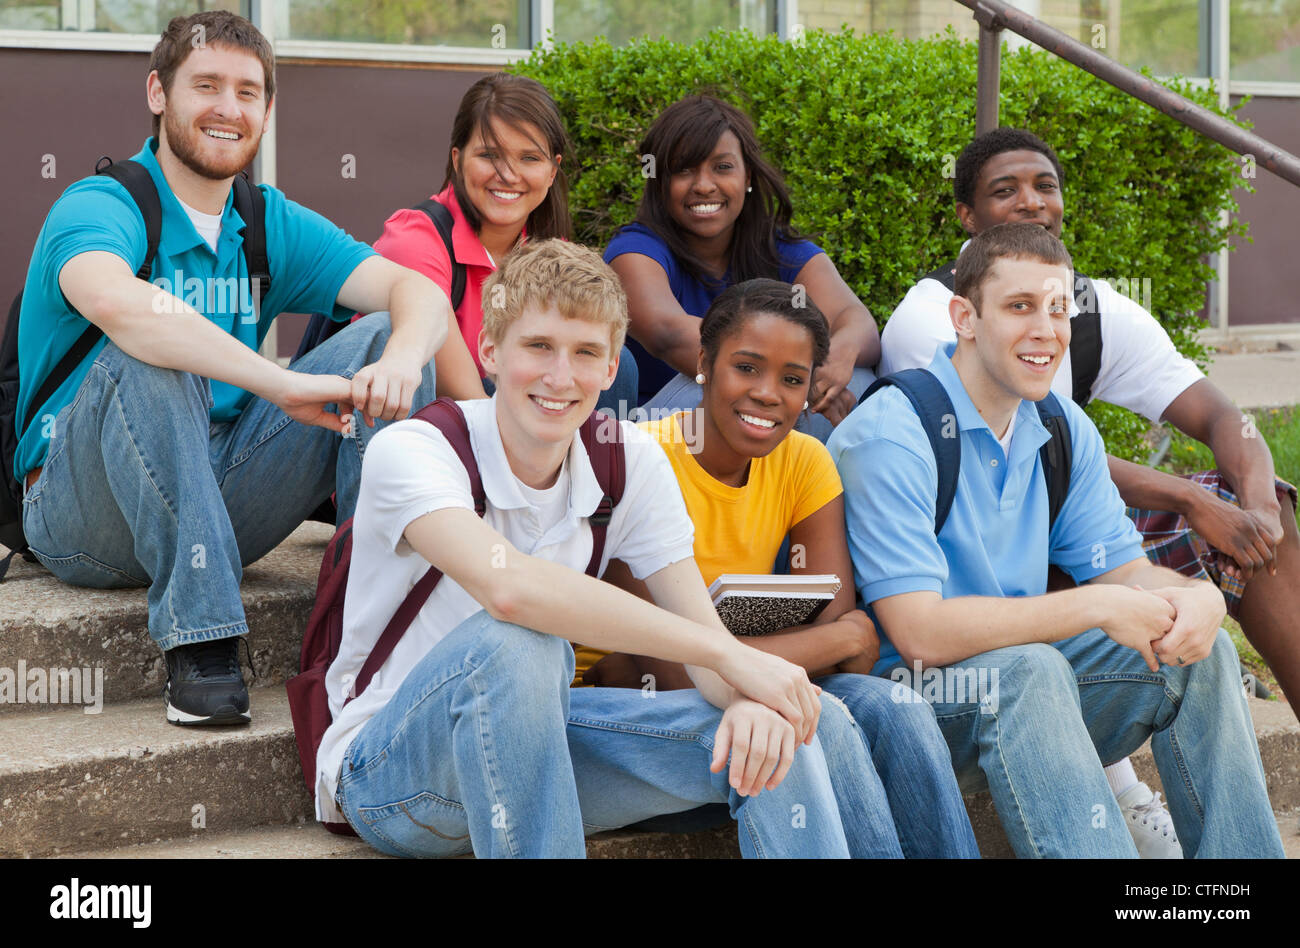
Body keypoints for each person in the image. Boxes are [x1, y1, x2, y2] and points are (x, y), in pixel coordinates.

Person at [318, 239, 895, 858]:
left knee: (794, 729)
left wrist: (747, 693)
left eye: (586, 353)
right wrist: (728, 656)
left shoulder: (630, 459)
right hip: (395, 772)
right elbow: (510, 591)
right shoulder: (415, 448)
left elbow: (704, 657)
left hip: (543, 750)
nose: (560, 377)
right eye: (538, 346)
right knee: (515, 644)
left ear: (614, 365)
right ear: (489, 350)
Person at [13, 11, 449, 726]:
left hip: (219, 494)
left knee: (380, 338)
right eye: (206, 85)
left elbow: (419, 292)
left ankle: (367, 626)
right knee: (147, 350)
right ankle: (202, 643)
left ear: (267, 112)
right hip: (82, 516)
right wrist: (280, 383)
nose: (228, 108)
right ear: (158, 93)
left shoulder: (263, 220)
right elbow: (122, 306)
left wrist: (401, 358)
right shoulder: (100, 204)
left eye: (247, 92)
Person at [879, 126, 1300, 854]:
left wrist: (1204, 586)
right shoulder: (909, 403)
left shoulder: (1065, 401)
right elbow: (919, 631)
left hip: (1037, 633)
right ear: (965, 315)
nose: (1046, 330)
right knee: (1036, 667)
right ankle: (1126, 817)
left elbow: (1209, 433)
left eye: (1055, 311)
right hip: (923, 694)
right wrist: (1170, 527)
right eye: (1018, 309)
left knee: (1207, 652)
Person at [583, 278, 979, 857]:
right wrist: (827, 637)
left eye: (793, 379)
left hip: (737, 680)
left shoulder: (805, 461)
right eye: (747, 368)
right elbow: (672, 674)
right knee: (820, 721)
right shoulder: (639, 458)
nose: (769, 394)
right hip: (634, 709)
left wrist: (808, 639)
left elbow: (856, 650)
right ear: (703, 364)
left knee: (898, 708)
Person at [604, 94, 879, 439]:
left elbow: (856, 321)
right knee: (715, 376)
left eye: (722, 167)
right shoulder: (635, 251)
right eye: (684, 170)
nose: (704, 186)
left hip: (755, 412)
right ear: (660, 181)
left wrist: (837, 359)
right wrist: (789, 377)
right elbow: (668, 332)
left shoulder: (780, 252)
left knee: (858, 382)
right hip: (663, 431)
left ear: (748, 176)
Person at [370, 72, 637, 414]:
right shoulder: (414, 241)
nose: (508, 175)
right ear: (457, 159)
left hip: (514, 422)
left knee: (612, 361)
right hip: (433, 428)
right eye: (489, 156)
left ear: (552, 171)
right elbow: (465, 394)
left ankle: (595, 465)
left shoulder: (547, 252)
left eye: (529, 158)